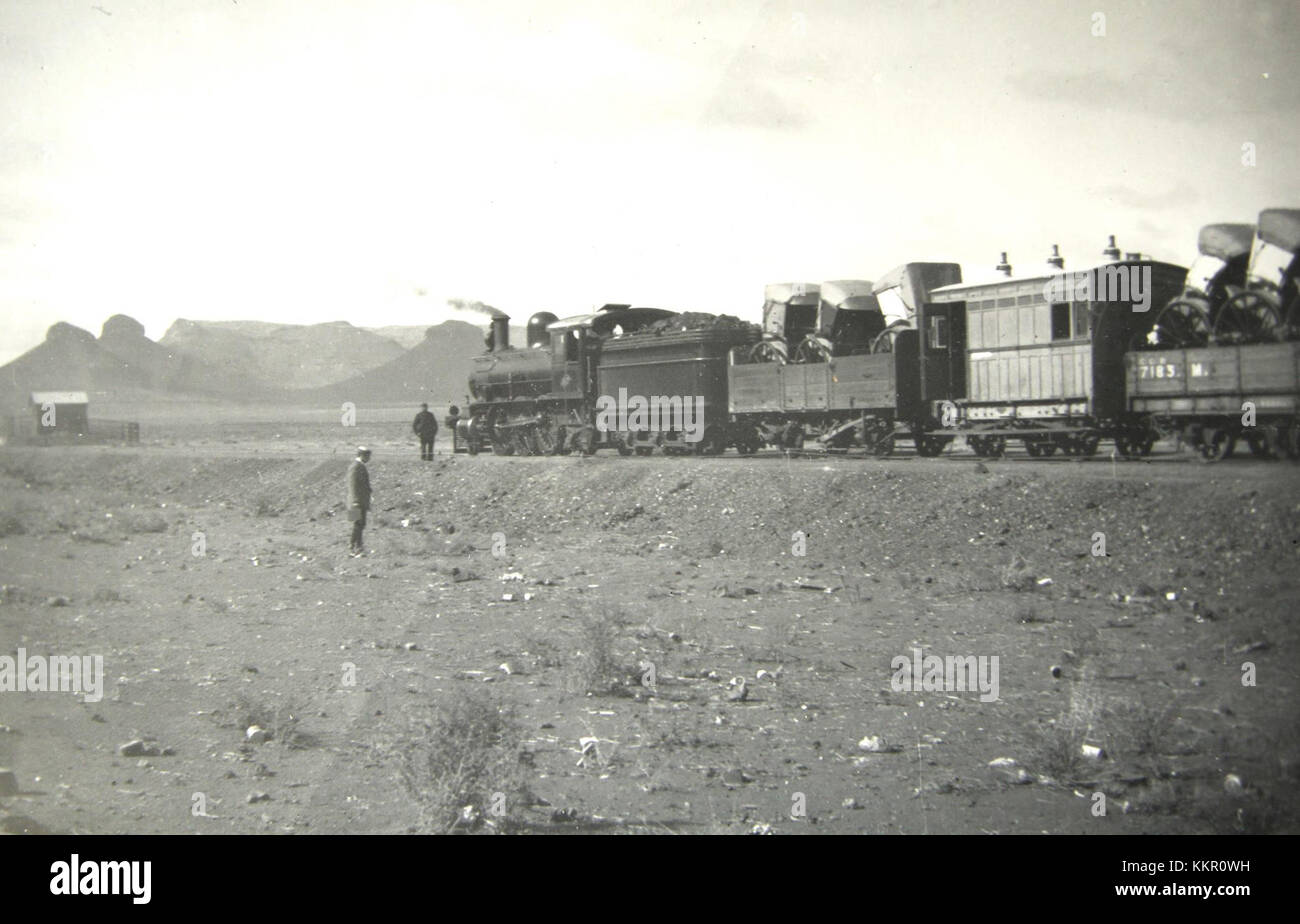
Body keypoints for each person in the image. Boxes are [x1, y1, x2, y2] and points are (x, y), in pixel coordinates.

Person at [347, 446, 372, 555]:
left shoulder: (359, 466)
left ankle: (359, 547)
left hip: (359, 501)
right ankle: (353, 547)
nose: (369, 458)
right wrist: (356, 501)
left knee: (360, 524)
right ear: (361, 455)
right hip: (356, 502)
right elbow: (353, 485)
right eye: (367, 456)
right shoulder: (356, 467)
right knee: (357, 524)